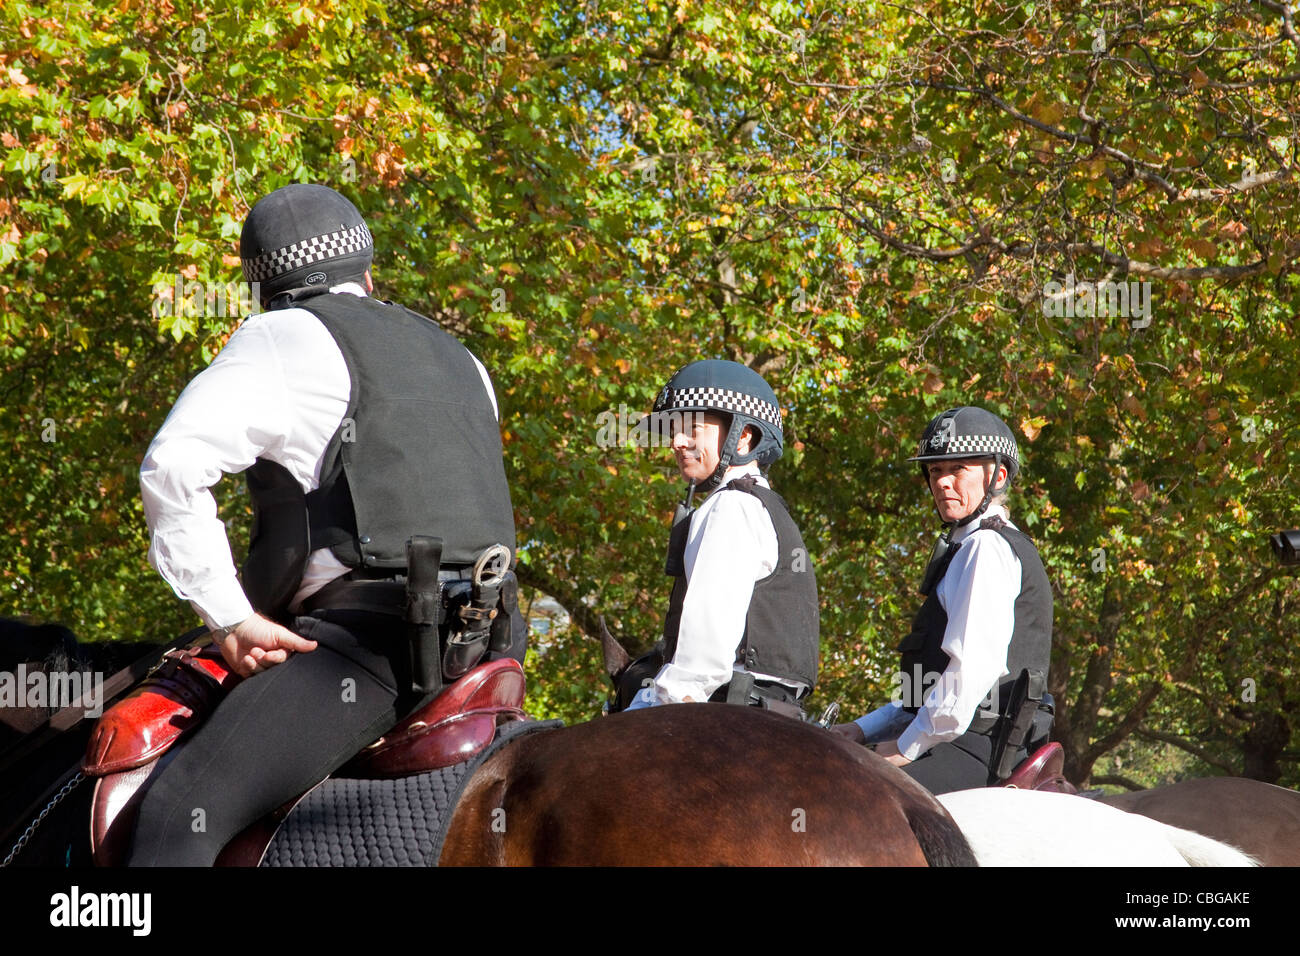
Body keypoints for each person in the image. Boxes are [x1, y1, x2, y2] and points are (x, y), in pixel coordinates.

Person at [127, 184, 522, 865]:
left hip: (368, 646)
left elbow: (171, 468)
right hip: (493, 645)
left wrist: (229, 618)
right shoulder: (461, 356)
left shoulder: (278, 337)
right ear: (368, 273)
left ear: (264, 289)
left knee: (173, 816)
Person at [833, 406, 1053, 794]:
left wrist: (905, 748)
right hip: (951, 739)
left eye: (958, 470)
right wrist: (861, 729)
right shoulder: (966, 547)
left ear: (997, 476)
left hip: (972, 749)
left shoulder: (986, 547)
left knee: (838, 798)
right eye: (935, 471)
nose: (943, 482)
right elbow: (923, 696)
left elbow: (972, 670)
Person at [623, 360, 818, 715]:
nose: (678, 442)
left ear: (744, 436)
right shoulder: (767, 507)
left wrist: (652, 706)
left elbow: (703, 653)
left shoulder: (731, 506)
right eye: (674, 431)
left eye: (692, 429)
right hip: (776, 714)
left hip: (727, 709)